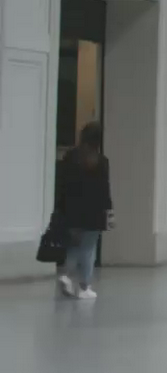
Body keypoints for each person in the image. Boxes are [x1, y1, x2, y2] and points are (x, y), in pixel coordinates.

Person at [53, 122, 113, 299]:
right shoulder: (101, 161)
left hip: (72, 211)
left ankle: (66, 275)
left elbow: (63, 186)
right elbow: (104, 189)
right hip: (93, 213)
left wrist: (61, 208)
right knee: (88, 249)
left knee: (74, 246)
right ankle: (84, 286)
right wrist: (109, 211)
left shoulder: (70, 157)